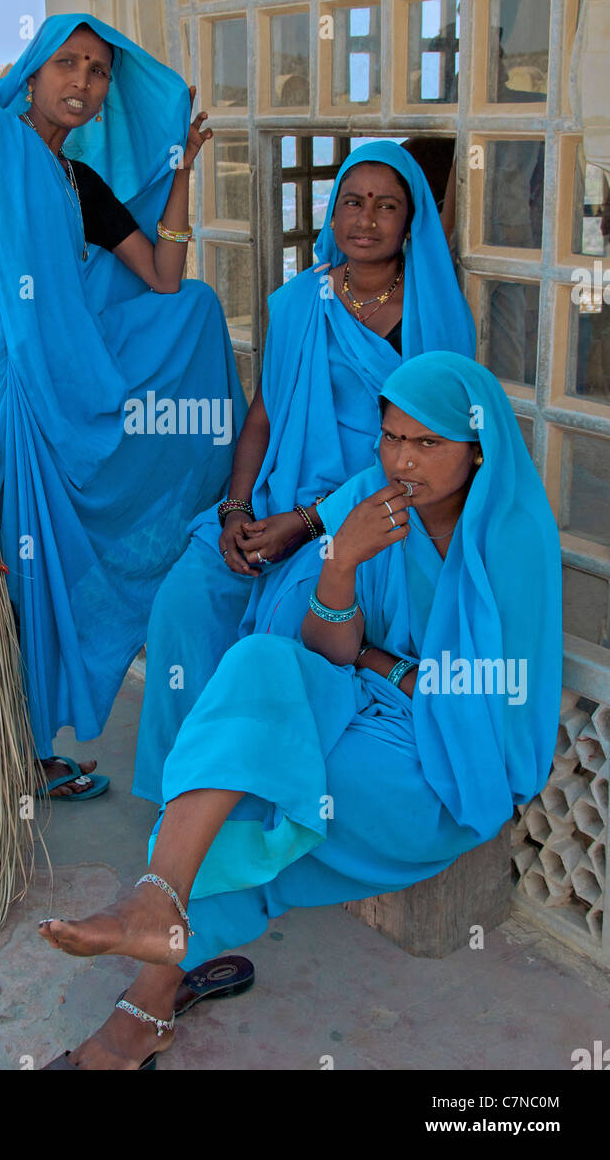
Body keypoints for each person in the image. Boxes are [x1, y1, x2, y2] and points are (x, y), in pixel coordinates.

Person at [38, 351, 562, 1069]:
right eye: (391, 437)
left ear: (475, 451)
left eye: (428, 443)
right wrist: (340, 563)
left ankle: (143, 1003)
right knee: (256, 665)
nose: (402, 459)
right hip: (364, 699)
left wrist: (382, 665)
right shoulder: (365, 499)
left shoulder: (510, 536)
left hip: (449, 756)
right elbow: (323, 649)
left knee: (264, 781)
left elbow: (479, 695)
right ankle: (156, 904)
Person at [0, 13, 246, 797]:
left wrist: (183, 171)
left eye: (98, 72)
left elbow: (163, 278)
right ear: (33, 73)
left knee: (193, 309)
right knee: (4, 577)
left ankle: (11, 750)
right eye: (69, 63)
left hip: (54, 390)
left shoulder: (78, 185)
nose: (84, 82)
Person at [133, 140, 475, 805]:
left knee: (287, 621)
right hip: (273, 498)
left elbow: (432, 453)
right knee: (186, 596)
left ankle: (254, 795)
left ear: (411, 222)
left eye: (386, 206)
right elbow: (263, 414)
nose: (365, 220)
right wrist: (235, 512)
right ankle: (182, 790)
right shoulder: (297, 302)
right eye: (352, 201)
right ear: (333, 209)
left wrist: (309, 521)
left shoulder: (434, 316)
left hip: (374, 508)